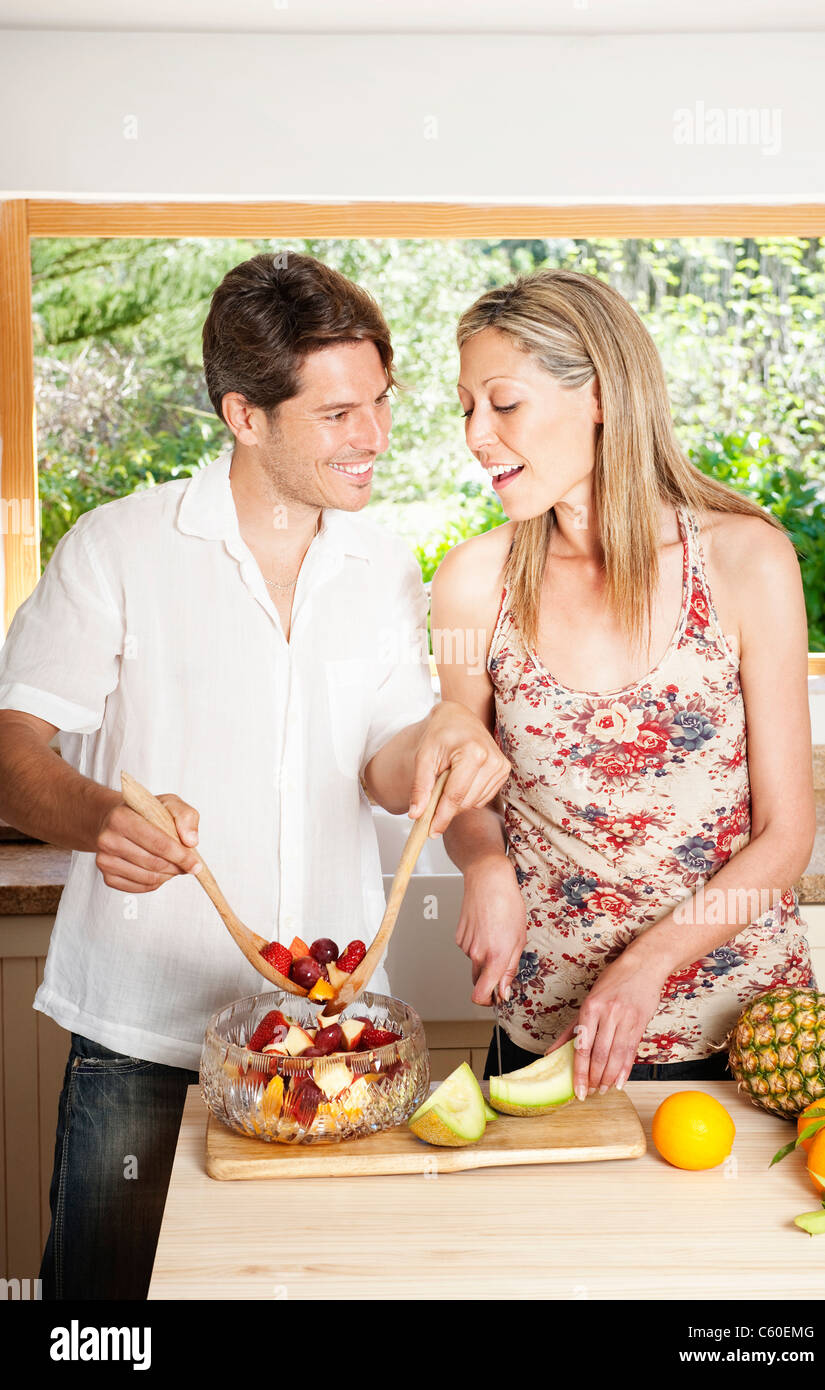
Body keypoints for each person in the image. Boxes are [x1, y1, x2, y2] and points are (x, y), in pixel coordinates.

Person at [0, 251, 509, 1300]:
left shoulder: (382, 564)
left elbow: (380, 760)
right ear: (244, 415)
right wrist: (104, 817)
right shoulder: (118, 548)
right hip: (142, 1033)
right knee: (103, 1314)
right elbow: (12, 755)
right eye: (335, 414)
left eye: (377, 402)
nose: (373, 435)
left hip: (332, 1037)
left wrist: (443, 740)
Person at [431, 267, 816, 1100]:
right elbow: (463, 788)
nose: (475, 436)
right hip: (549, 1042)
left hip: (741, 1041)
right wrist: (484, 865)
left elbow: (787, 834)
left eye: (503, 403)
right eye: (465, 408)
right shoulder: (473, 582)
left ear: (600, 395)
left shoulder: (747, 560)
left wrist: (644, 968)